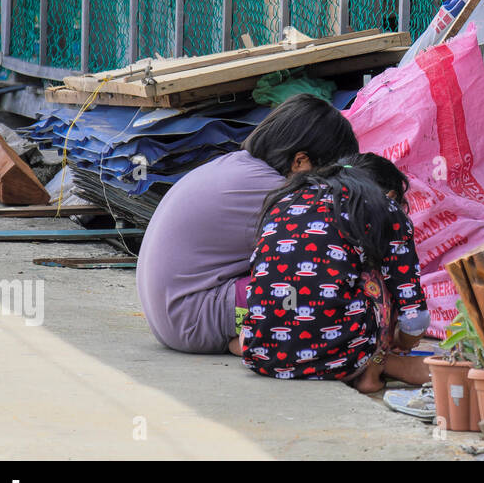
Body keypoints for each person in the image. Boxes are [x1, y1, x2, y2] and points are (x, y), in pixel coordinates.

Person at [136, 94, 359, 355]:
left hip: (173, 316)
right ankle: (265, 343)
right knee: (318, 286)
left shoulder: (237, 166)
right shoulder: (274, 191)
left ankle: (243, 340)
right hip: (192, 319)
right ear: (300, 162)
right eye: (329, 175)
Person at [241, 154, 428, 392]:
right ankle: (372, 368)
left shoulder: (286, 200)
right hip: (345, 358)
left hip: (261, 354)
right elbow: (414, 314)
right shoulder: (385, 207)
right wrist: (402, 342)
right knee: (377, 277)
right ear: (391, 195)